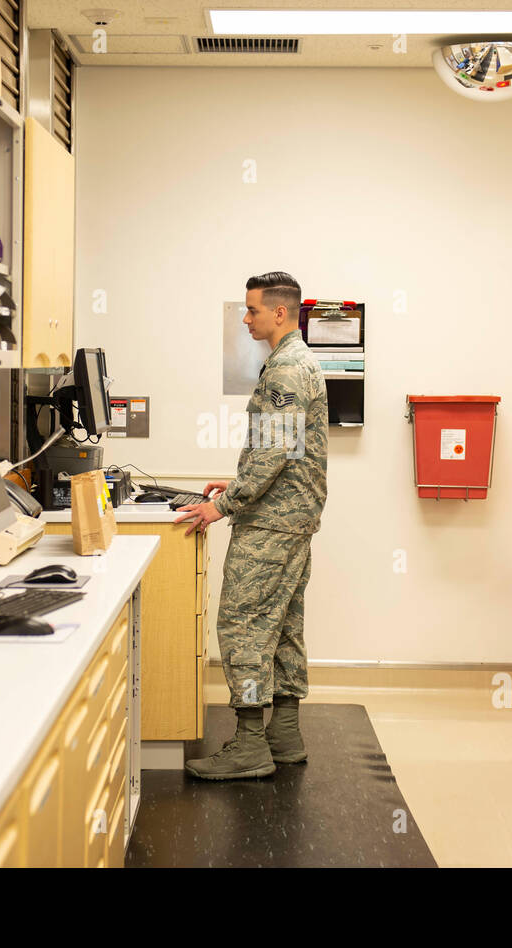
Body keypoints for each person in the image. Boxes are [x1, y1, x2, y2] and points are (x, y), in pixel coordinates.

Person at [173, 272, 328, 780]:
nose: (245, 318)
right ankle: (283, 735)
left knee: (242, 624)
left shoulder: (287, 370)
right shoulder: (296, 364)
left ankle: (249, 745)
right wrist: (241, 479)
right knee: (281, 625)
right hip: (290, 517)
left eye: (252, 310)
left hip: (272, 521)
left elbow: (277, 448)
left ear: (279, 313)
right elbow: (281, 448)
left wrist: (229, 503)